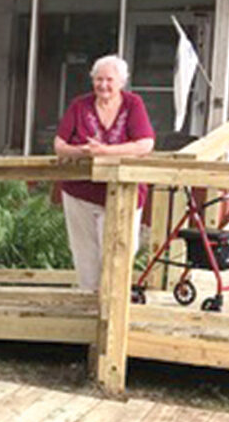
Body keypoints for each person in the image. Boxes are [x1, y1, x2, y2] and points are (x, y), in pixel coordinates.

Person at [53, 54, 155, 292]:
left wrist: (106, 151)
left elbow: (145, 144)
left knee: (121, 251)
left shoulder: (133, 104)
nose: (103, 85)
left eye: (109, 80)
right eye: (98, 79)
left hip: (122, 193)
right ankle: (89, 303)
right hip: (80, 193)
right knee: (85, 253)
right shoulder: (80, 105)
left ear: (121, 81)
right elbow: (59, 145)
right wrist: (83, 151)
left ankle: (113, 303)